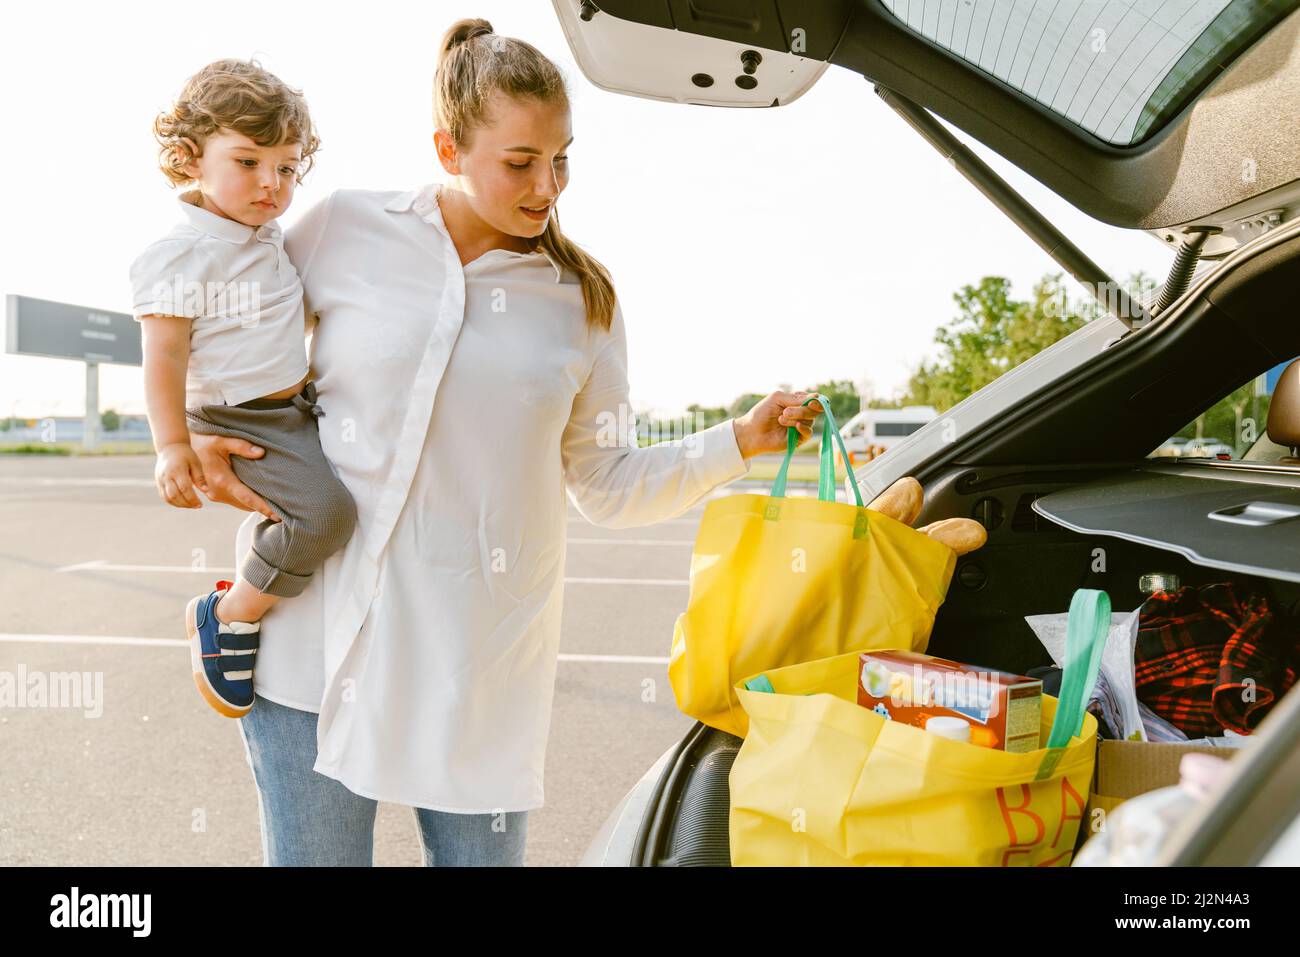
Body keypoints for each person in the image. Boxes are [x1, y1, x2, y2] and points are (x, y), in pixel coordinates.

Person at [191, 17, 825, 866]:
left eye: (561, 159)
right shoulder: (343, 228)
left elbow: (606, 481)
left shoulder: (581, 299)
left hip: (474, 677)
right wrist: (192, 426)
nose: (547, 186)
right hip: (316, 657)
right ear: (449, 150)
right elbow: (230, 312)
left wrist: (737, 441)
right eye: (520, 162)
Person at [129, 59, 356, 720]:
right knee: (327, 516)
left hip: (294, 411)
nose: (271, 184)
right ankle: (231, 614)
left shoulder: (264, 235)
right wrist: (173, 445)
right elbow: (164, 357)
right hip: (246, 423)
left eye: (286, 168)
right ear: (189, 157)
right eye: (249, 161)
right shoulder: (180, 252)